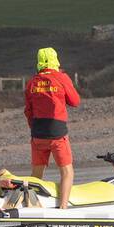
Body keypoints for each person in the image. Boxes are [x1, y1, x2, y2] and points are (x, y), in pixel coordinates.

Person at [24, 47, 81, 209]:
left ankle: (31, 207)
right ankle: (63, 208)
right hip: (57, 133)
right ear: (55, 60)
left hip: (38, 134)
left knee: (36, 175)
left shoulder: (32, 82)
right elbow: (75, 101)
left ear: (39, 62)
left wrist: (34, 130)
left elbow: (28, 111)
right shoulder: (61, 77)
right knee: (67, 172)